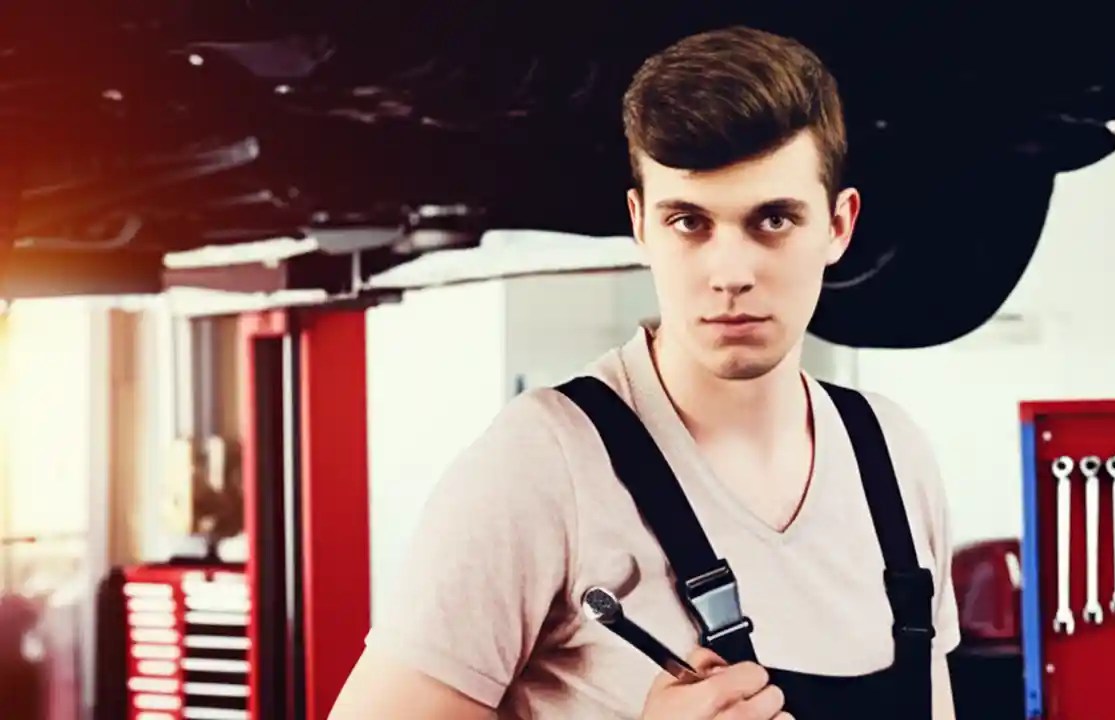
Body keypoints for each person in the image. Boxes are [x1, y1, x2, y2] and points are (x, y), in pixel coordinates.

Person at [329, 25, 959, 720]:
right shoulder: (544, 464)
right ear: (641, 225)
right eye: (690, 222)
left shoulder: (895, 459)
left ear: (838, 226)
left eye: (773, 220)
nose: (731, 274)